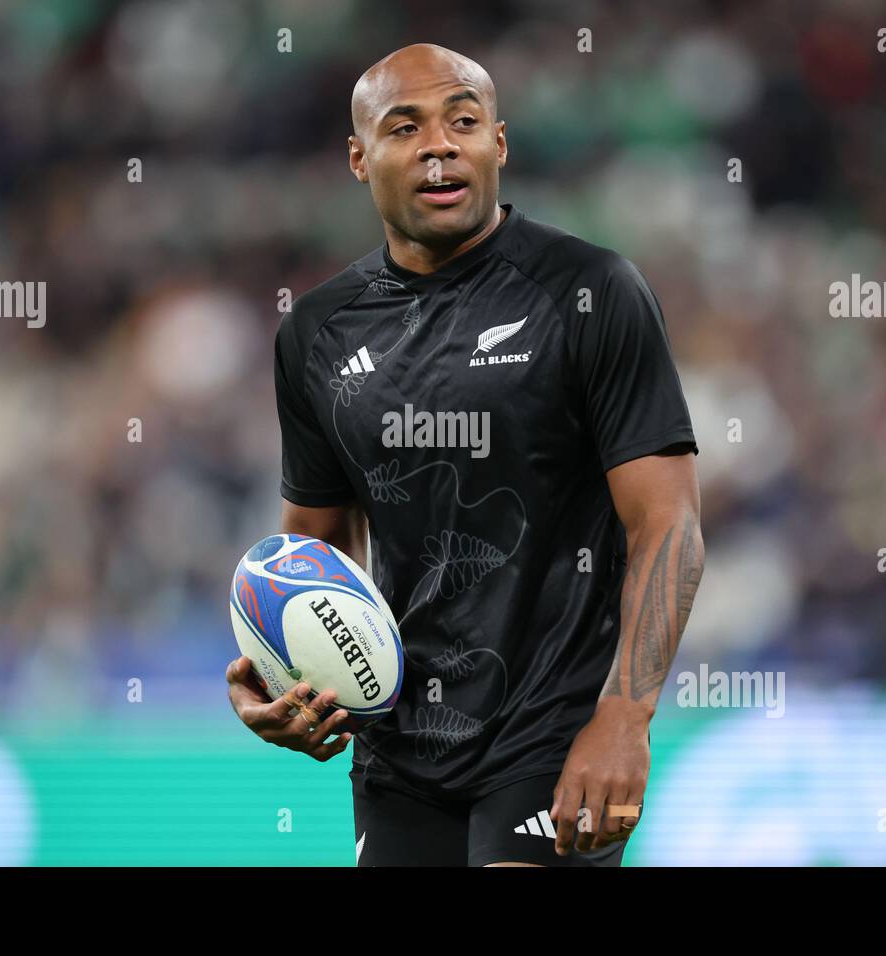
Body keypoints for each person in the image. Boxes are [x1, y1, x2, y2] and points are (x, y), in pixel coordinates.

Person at [226, 43, 704, 867]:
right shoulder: (317, 331)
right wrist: (281, 681)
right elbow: (313, 550)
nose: (439, 145)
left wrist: (624, 716)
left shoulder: (591, 293)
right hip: (399, 747)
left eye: (464, 122)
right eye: (404, 127)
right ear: (359, 157)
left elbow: (669, 526)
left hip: (554, 729)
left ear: (499, 145)